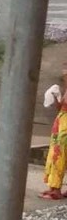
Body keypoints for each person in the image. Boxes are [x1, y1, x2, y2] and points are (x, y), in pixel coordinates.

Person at [42, 65, 67, 200]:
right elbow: (61, 107)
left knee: (59, 155)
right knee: (56, 154)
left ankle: (56, 189)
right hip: (61, 123)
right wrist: (55, 97)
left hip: (65, 127)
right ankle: (53, 186)